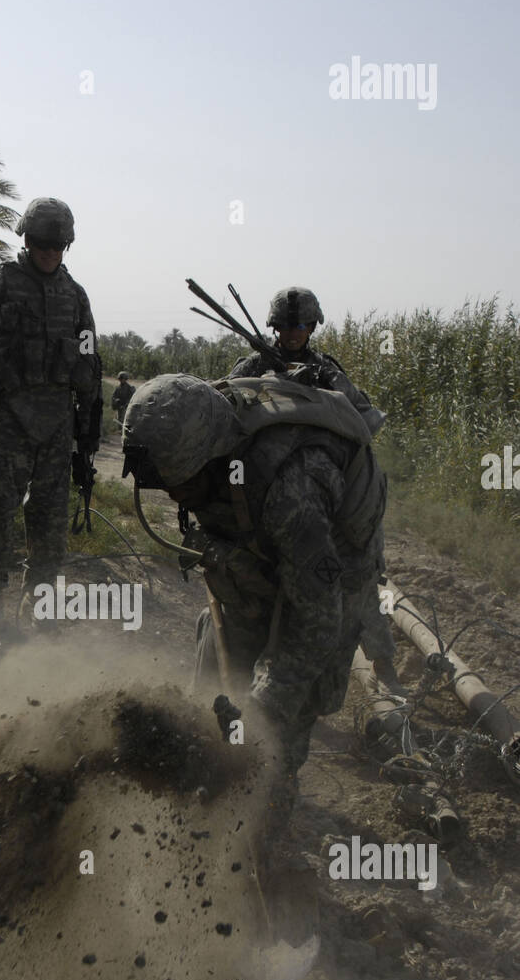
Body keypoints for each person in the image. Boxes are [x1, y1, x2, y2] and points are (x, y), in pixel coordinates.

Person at [122, 371, 388, 866]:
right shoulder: (204, 434)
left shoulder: (292, 490)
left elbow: (318, 613)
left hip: (332, 572)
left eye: (177, 485)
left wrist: (265, 708)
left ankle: (258, 846)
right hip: (264, 548)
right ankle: (200, 794)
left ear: (211, 459)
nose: (171, 497)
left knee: (279, 722)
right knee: (217, 696)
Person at [0, 197, 100, 630]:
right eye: (40, 242)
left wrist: (88, 425)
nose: (48, 251)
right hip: (9, 417)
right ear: (26, 241)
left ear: (67, 245)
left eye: (57, 244)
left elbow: (88, 362)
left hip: (56, 422)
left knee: (49, 517)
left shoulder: (74, 295)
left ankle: (40, 598)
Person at [230, 286, 398, 686]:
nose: (293, 334)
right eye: (286, 326)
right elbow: (225, 408)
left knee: (361, 569)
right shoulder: (252, 365)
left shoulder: (326, 368)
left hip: (329, 489)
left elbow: (362, 414)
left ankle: (384, 666)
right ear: (274, 327)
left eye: (301, 325)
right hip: (268, 491)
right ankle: (243, 679)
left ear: (312, 327)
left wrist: (317, 387)